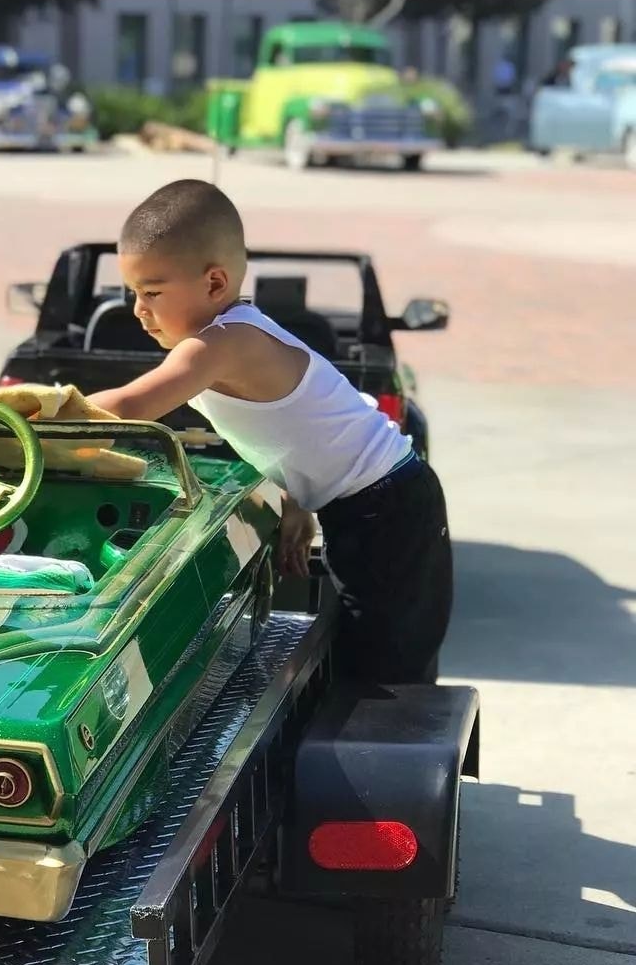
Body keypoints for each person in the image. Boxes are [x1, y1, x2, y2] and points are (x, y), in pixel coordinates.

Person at [80, 179, 453, 687]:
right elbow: (301, 425)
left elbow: (129, 408)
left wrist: (17, 415)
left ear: (214, 283)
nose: (138, 310)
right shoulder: (240, 331)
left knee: (384, 675)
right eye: (132, 293)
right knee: (366, 659)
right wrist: (297, 498)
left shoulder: (219, 344)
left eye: (151, 292)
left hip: (387, 510)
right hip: (372, 502)